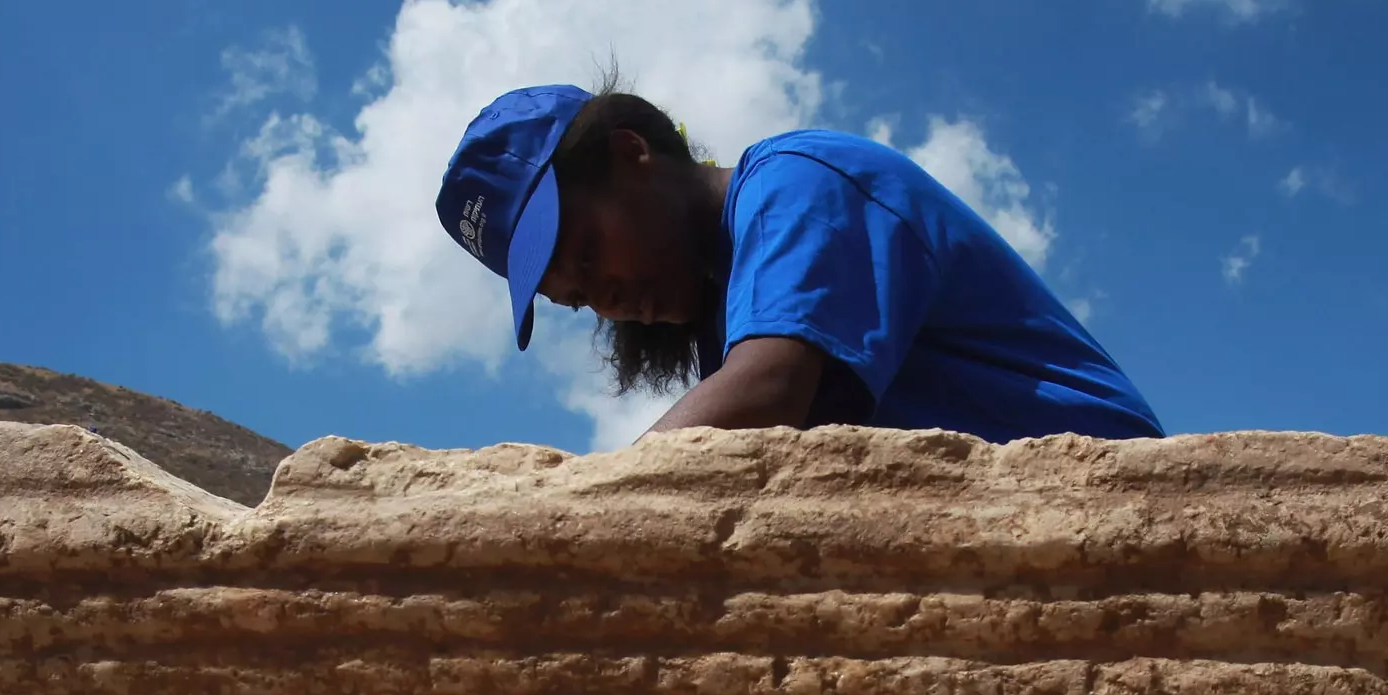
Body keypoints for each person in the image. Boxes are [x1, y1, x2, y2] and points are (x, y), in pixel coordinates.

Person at [436, 83, 1163, 441]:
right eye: (577, 300)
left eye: (588, 255)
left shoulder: (798, 182)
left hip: (1115, 497)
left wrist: (567, 518)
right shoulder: (725, 325)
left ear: (632, 154)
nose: (608, 300)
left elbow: (769, 389)